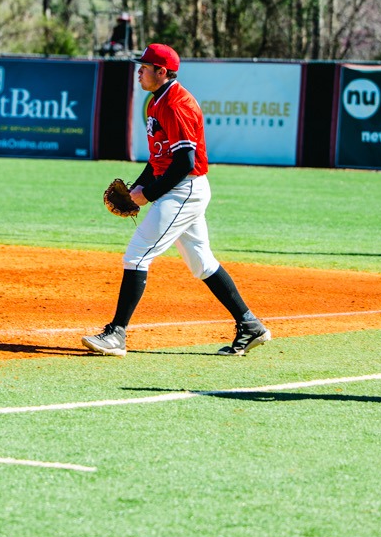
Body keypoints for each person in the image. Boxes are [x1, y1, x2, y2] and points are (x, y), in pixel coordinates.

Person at [83, 43, 268, 357]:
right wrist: (139, 186)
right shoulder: (158, 101)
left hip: (184, 189)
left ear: (161, 71)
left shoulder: (176, 104)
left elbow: (184, 161)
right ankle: (250, 324)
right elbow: (160, 157)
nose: (139, 71)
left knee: (137, 255)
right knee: (202, 262)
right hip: (181, 189)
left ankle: (116, 334)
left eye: (145, 67)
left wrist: (149, 194)